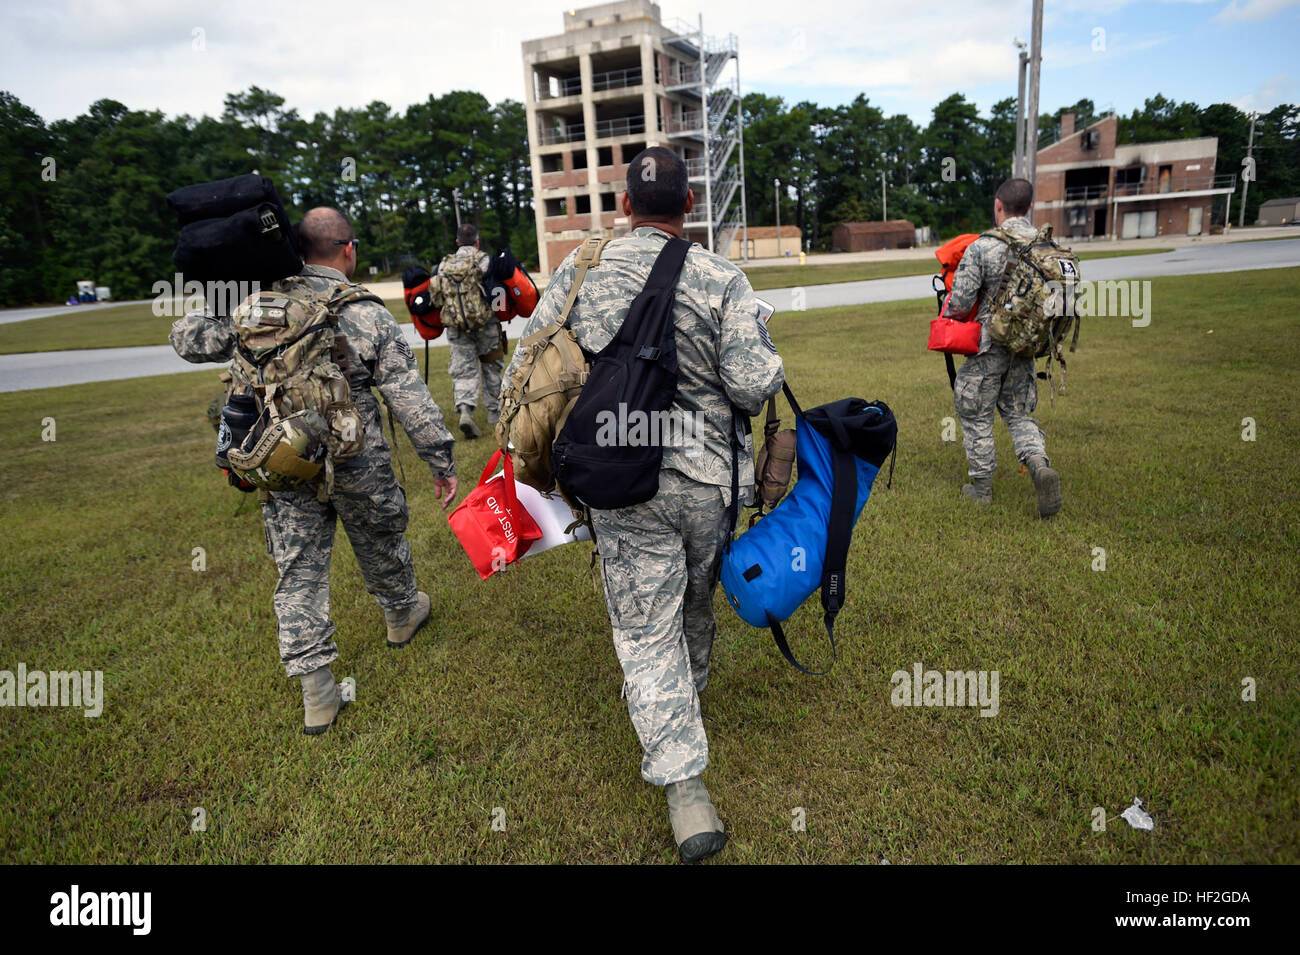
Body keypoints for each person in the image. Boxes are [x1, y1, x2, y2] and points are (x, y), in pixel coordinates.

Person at [503, 146, 784, 863]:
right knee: (692, 601)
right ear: (690, 206)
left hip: (619, 475)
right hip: (708, 482)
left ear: (625, 207)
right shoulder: (722, 278)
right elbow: (754, 389)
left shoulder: (580, 269)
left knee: (644, 625)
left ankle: (684, 782)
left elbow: (527, 364)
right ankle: (684, 715)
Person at [169, 207, 459, 735]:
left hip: (281, 456)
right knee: (380, 535)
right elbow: (408, 397)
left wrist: (223, 296)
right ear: (347, 250)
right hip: (356, 454)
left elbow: (187, 339)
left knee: (298, 567)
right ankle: (400, 615)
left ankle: (318, 694)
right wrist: (439, 458)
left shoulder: (254, 305)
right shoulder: (365, 312)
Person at [943, 177, 1062, 517]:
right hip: (1024, 349)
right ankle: (1038, 465)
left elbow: (959, 303)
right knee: (1019, 414)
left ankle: (981, 489)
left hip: (987, 347)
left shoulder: (984, 246)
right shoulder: (1046, 245)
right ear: (1029, 208)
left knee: (976, 414)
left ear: (998, 206)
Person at [435, 223, 502, 440]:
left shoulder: (444, 265)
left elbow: (437, 298)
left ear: (457, 242)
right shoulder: (484, 260)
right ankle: (494, 414)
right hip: (485, 325)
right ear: (477, 240)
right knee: (491, 366)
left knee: (463, 371)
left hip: (456, 327)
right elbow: (495, 291)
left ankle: (465, 410)